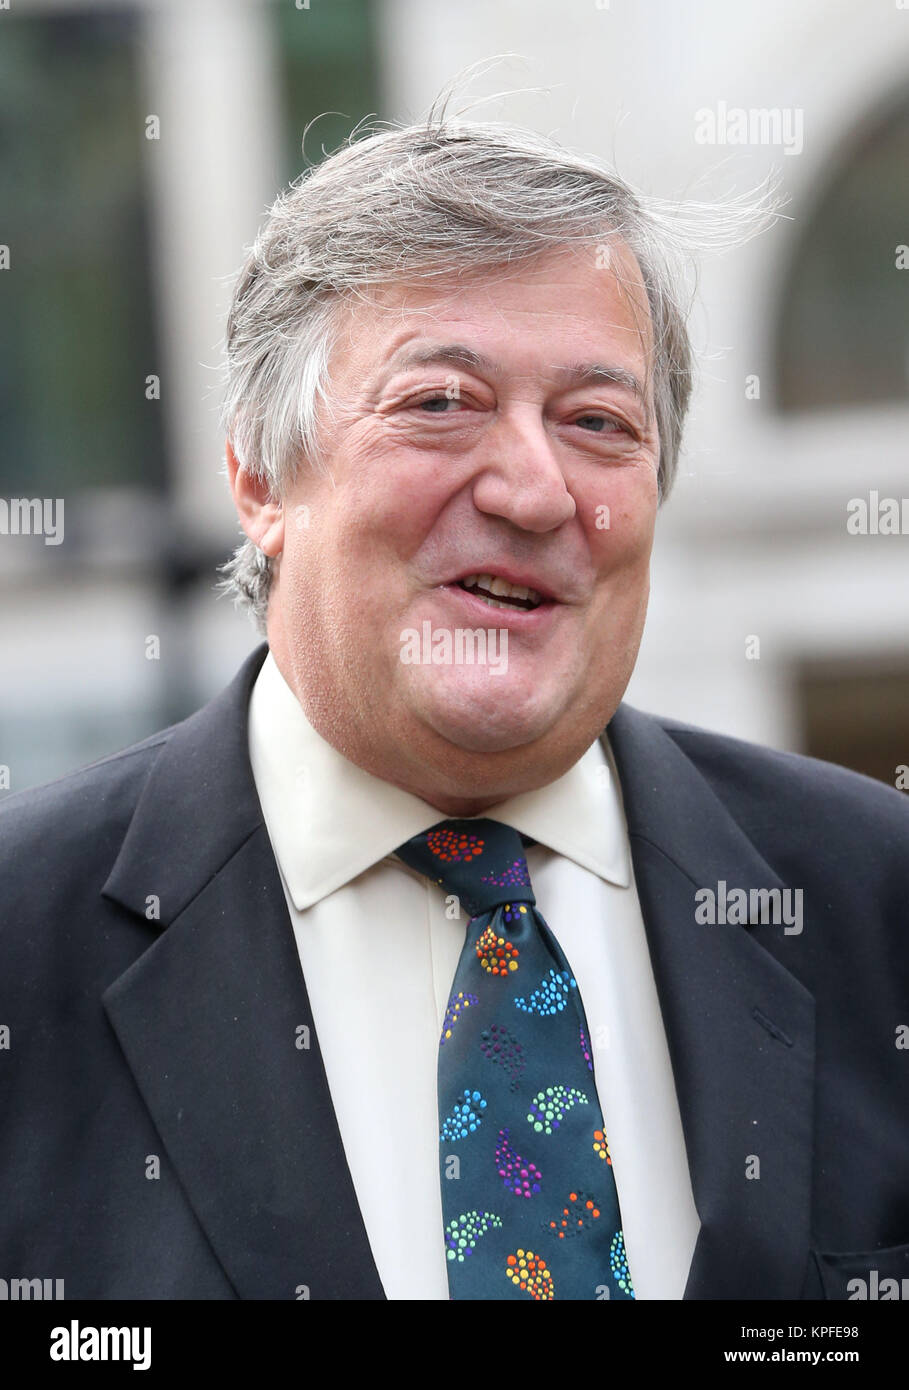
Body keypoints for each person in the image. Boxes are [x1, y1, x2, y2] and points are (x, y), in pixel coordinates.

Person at [1, 115, 907, 1303]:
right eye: (441, 401)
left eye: (598, 423)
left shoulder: (872, 903)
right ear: (261, 479)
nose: (535, 490)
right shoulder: (26, 946)